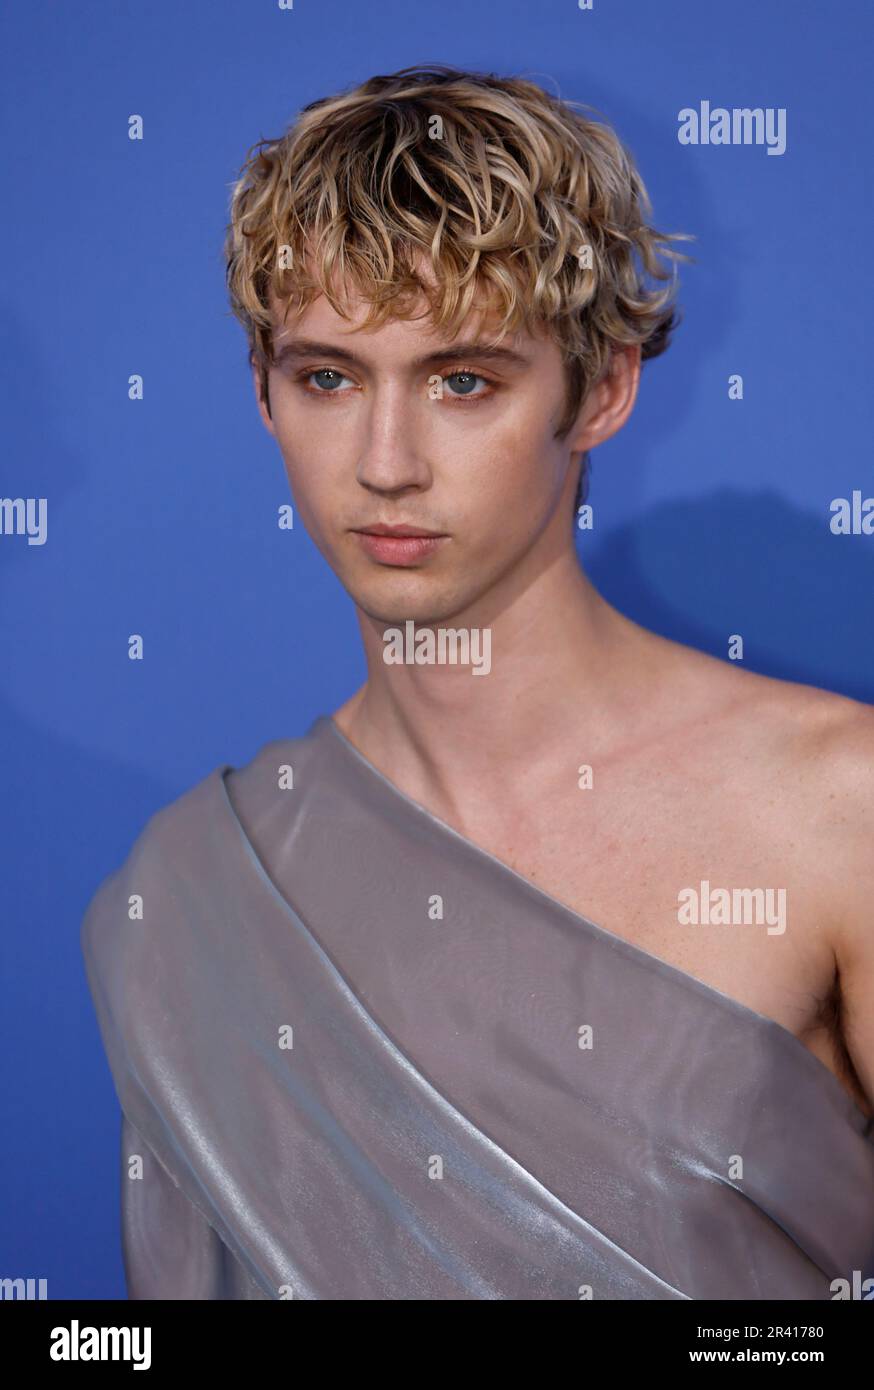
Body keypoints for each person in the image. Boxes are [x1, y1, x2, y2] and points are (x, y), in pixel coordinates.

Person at [81, 64, 874, 1300]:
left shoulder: (841, 815)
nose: (385, 464)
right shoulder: (180, 898)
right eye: (328, 378)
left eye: (463, 381)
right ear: (264, 394)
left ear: (600, 389)